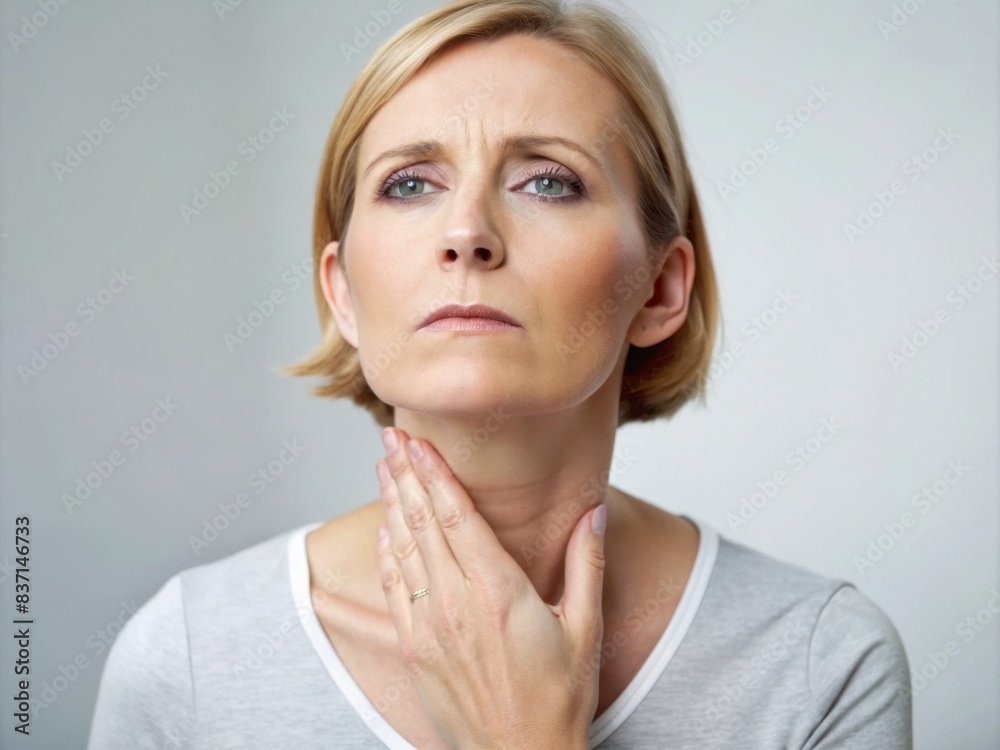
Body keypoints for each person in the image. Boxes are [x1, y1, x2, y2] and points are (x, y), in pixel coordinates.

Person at [87, 0, 914, 747]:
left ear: (660, 289)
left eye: (547, 182)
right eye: (408, 184)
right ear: (341, 291)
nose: (467, 233)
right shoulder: (187, 658)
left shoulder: (820, 664)